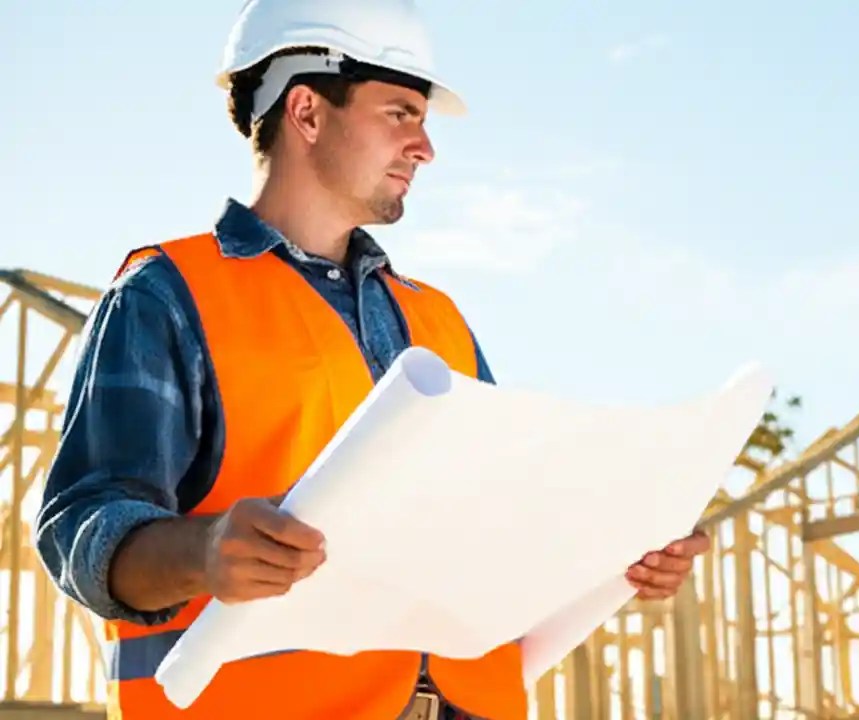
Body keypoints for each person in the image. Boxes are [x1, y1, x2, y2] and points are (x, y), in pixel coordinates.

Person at [34, 1, 710, 718]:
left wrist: (614, 558)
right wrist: (202, 551)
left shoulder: (438, 319)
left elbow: (495, 526)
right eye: (399, 114)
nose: (425, 147)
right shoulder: (167, 296)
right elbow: (81, 528)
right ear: (307, 111)